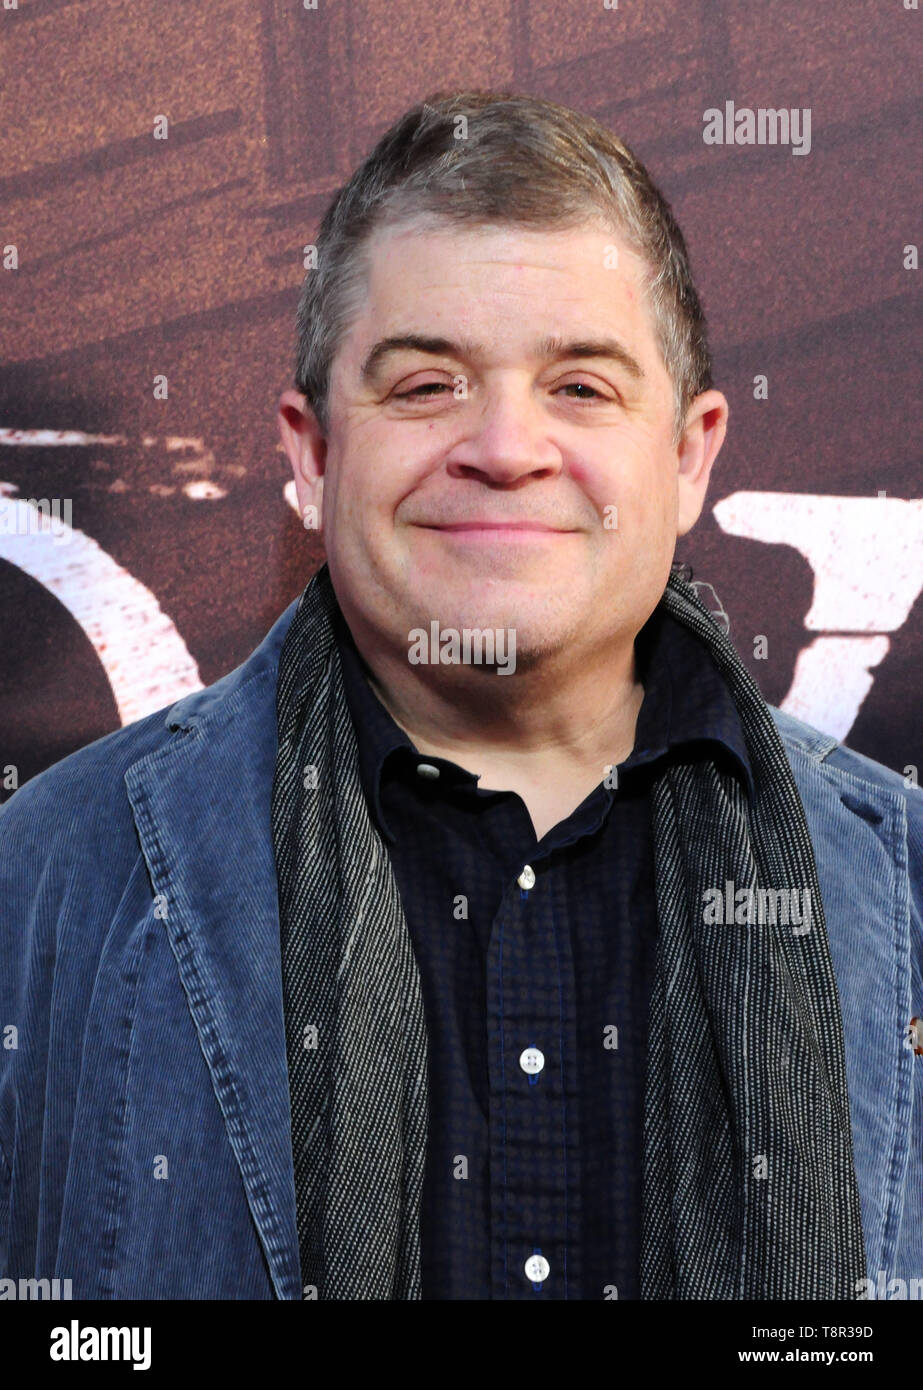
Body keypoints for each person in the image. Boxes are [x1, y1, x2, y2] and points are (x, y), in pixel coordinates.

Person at [1, 90, 920, 1302]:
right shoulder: (45, 882)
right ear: (313, 452)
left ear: (688, 453)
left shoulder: (901, 881)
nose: (504, 446)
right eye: (427, 384)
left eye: (581, 388)